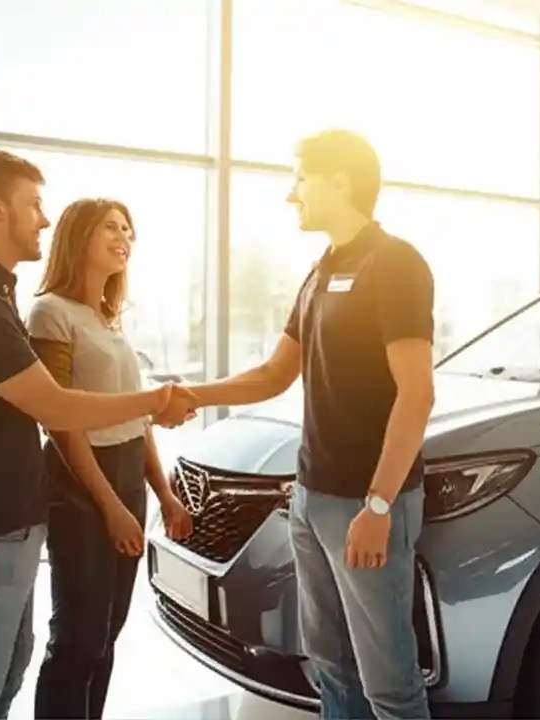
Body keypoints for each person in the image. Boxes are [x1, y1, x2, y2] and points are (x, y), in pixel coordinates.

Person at [0, 148, 195, 720]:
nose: (43, 217)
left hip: (6, 522)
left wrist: (157, 482)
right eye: (33, 204)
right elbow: (56, 409)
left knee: (5, 675)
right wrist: (157, 400)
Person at [182, 129, 436, 719]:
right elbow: (274, 374)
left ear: (341, 181)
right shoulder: (321, 268)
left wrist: (377, 508)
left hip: (368, 503)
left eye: (300, 177)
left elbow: (417, 395)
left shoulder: (394, 262)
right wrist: (190, 392)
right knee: (331, 670)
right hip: (312, 496)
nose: (291, 194)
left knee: (390, 683)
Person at [26, 197, 194, 719]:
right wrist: (108, 507)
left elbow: (137, 418)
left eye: (128, 228)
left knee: (107, 634)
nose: (123, 236)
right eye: (110, 228)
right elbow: (59, 420)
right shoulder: (51, 311)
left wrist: (163, 494)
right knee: (77, 637)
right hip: (81, 488)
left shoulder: (110, 319)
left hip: (126, 481)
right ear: (79, 237)